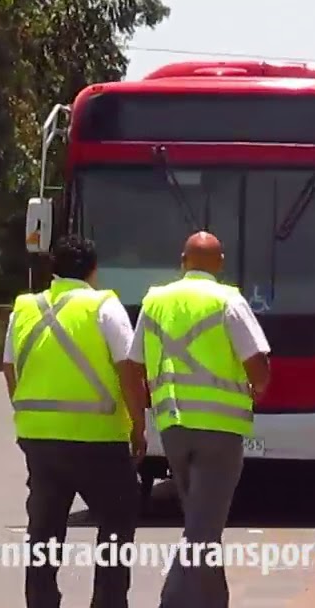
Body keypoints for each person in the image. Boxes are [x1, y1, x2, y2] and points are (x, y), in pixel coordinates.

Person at [122, 231, 271, 608]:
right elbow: (257, 361)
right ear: (220, 263)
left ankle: (214, 601)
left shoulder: (155, 301)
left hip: (173, 427)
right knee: (203, 530)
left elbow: (132, 365)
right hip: (220, 431)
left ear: (182, 261)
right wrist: (258, 388)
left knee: (201, 520)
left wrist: (138, 422)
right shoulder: (228, 300)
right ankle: (172, 601)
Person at [2, 235, 149, 608]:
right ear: (93, 271)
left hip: (39, 439)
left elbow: (9, 366)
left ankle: (41, 602)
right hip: (99, 438)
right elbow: (128, 371)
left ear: (53, 269)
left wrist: (27, 411)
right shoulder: (104, 306)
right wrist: (138, 425)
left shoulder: (24, 308)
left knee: (44, 530)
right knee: (116, 524)